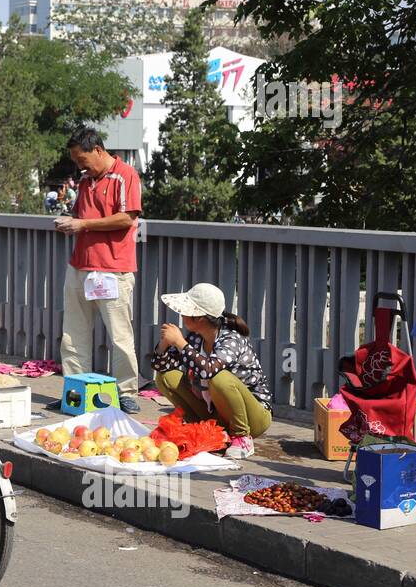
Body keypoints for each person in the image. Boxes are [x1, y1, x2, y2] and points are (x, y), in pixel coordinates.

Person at [55, 127, 143, 414]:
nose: (80, 166)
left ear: (98, 150)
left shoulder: (126, 174)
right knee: (73, 335)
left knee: (120, 335)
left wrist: (82, 225)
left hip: (113, 269)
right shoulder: (84, 180)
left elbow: (127, 218)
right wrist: (72, 222)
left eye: (82, 160)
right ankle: (75, 391)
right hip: (80, 265)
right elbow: (84, 217)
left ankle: (127, 392)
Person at [149, 282, 271, 458]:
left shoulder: (231, 339)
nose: (181, 315)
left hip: (254, 417)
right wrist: (164, 344)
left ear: (199, 317)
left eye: (185, 311)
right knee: (166, 377)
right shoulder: (196, 339)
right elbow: (160, 365)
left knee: (219, 378)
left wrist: (180, 343)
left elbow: (209, 370)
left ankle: (241, 437)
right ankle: (198, 428)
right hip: (217, 411)